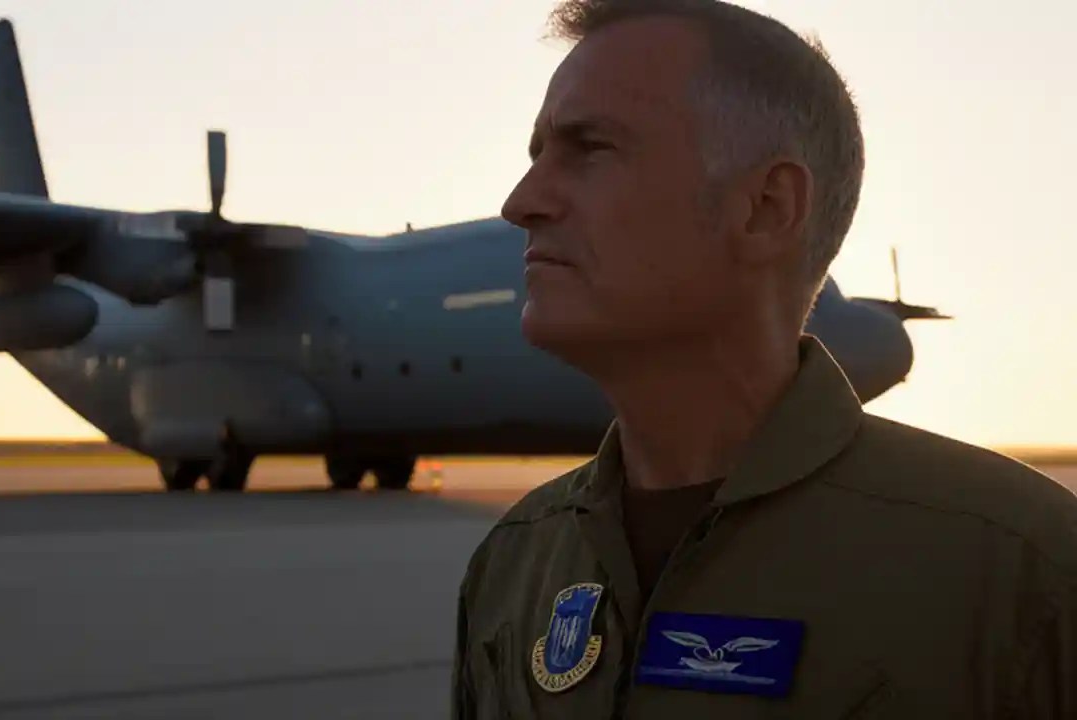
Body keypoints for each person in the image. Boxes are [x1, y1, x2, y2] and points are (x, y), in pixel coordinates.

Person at [450, 0, 1077, 717]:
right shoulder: (515, 564)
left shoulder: (1023, 576)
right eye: (536, 156)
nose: (520, 202)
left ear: (768, 206)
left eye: (589, 148)